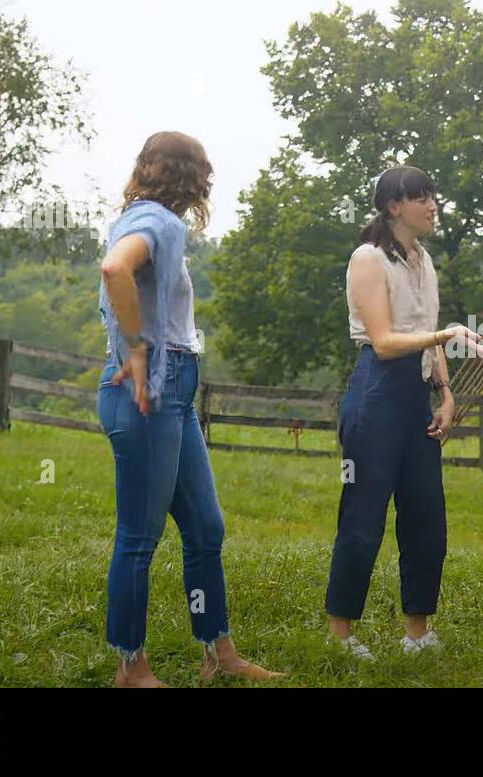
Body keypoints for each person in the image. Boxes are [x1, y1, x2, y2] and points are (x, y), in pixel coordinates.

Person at [97, 131, 278, 687]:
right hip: (152, 390)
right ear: (195, 177)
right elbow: (114, 270)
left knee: (205, 528)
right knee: (139, 537)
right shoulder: (160, 224)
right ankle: (132, 668)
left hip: (169, 393)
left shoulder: (136, 215)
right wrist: (135, 347)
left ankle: (217, 652)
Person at [325, 165, 483, 661]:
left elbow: (426, 329)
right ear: (394, 206)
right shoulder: (368, 259)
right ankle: (341, 637)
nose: (433, 205)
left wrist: (445, 393)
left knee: (425, 516)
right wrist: (445, 336)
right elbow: (383, 342)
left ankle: (416, 633)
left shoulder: (423, 260)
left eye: (434, 195)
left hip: (416, 395)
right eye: (422, 197)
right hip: (376, 394)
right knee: (364, 518)